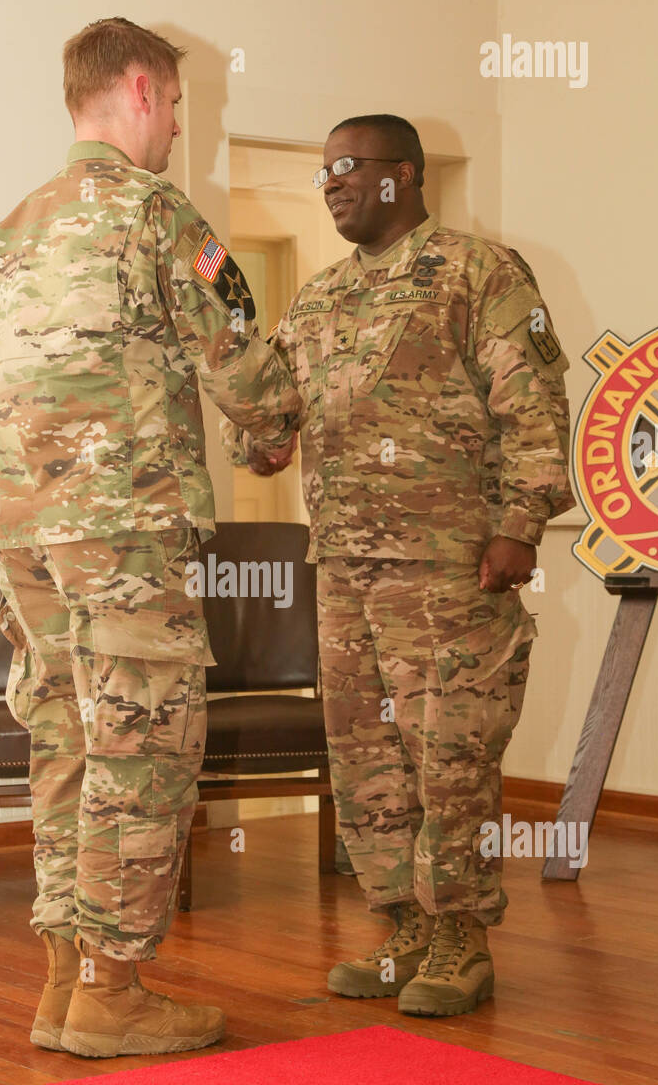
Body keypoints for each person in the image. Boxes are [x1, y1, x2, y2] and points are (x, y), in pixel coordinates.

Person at [0, 18, 298, 1058]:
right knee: (143, 742)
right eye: (179, 105)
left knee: (62, 740)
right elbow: (236, 355)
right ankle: (113, 989)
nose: (180, 126)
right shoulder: (158, 217)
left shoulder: (2, 237)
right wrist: (275, 432)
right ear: (139, 90)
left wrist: (29, 487)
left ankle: (64, 982)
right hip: (127, 532)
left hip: (24, 536)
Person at [225, 114, 575, 1017]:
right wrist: (253, 427)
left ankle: (461, 934)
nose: (334, 182)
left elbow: (535, 409)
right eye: (325, 172)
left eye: (351, 166)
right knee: (368, 754)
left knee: (450, 750)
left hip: (452, 564)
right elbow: (272, 427)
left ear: (405, 175)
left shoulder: (477, 271)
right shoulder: (319, 297)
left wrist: (520, 525)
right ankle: (402, 927)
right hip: (343, 566)